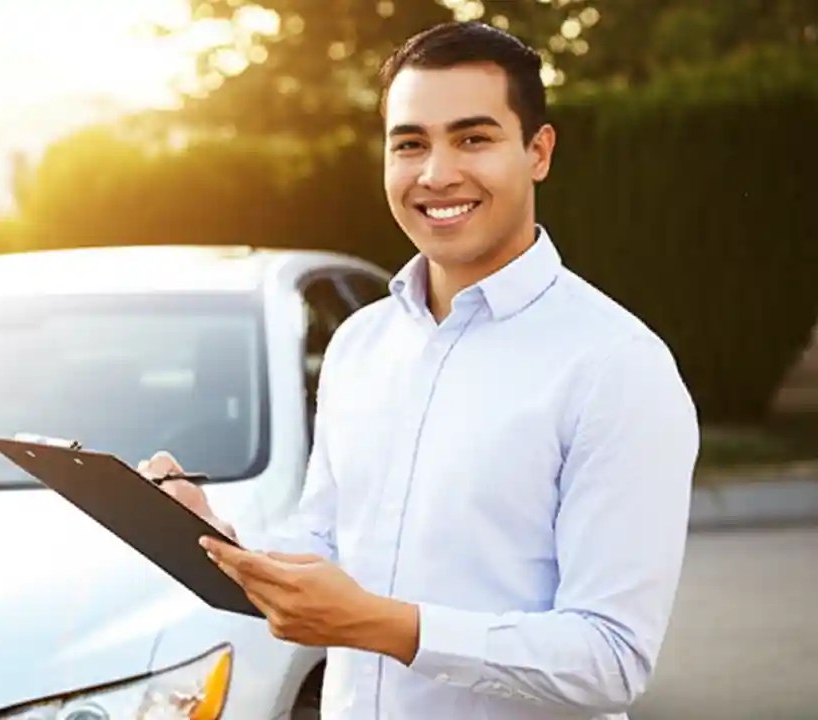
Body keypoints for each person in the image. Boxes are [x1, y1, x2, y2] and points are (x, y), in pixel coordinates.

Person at [138, 20, 699, 720]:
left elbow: (611, 659)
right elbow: (326, 541)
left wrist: (382, 624)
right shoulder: (359, 343)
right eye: (410, 143)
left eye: (473, 138)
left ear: (539, 152)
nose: (436, 174)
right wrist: (219, 543)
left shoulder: (617, 366)